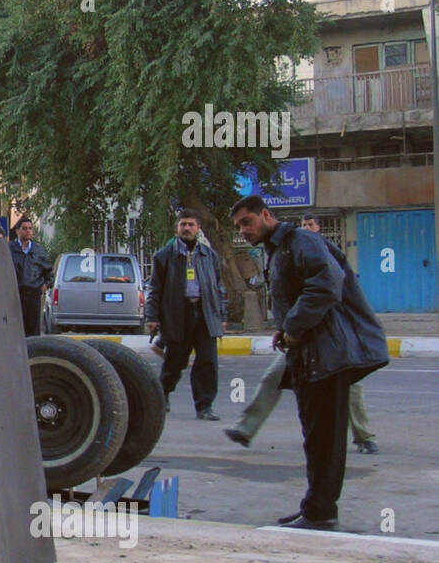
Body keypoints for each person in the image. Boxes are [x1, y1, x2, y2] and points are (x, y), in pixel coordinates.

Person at [230, 195, 389, 530]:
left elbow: (326, 285)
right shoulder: (279, 249)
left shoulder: (302, 240)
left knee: (326, 441)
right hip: (309, 357)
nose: (243, 231)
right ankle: (314, 507)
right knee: (315, 438)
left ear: (266, 215)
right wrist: (284, 330)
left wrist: (294, 327)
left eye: (247, 222)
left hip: (328, 356)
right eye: (239, 226)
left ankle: (321, 513)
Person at [146, 208, 225, 420]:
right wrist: (152, 317)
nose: (187, 228)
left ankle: (204, 407)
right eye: (183, 224)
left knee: (207, 362)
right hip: (178, 315)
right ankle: (162, 394)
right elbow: (155, 288)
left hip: (205, 314)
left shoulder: (209, 255)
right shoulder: (164, 256)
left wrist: (222, 316)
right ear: (177, 229)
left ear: (198, 228)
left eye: (191, 224)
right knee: (174, 361)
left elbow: (218, 287)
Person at [8, 217, 53, 337]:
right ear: (17, 231)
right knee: (16, 328)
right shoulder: (9, 249)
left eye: (30, 228)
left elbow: (49, 272)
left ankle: (32, 354)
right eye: (24, 228)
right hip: (15, 295)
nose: (28, 231)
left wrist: (45, 285)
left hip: (34, 295)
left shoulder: (38, 250)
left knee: (33, 330)